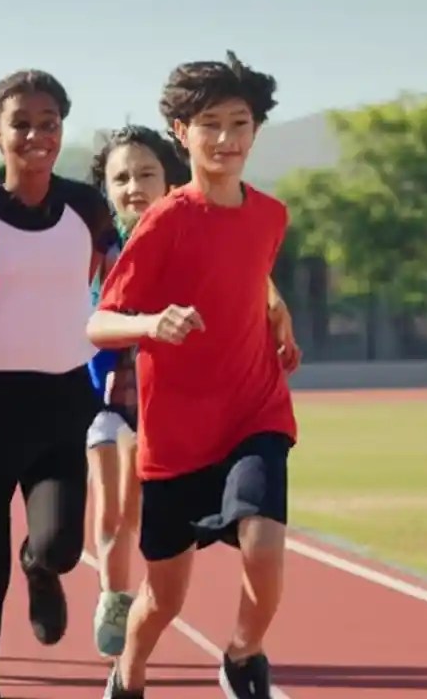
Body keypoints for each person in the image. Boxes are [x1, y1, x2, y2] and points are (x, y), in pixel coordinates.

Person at [91, 51, 299, 699]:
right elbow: (100, 324)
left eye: (240, 124)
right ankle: (131, 669)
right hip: (177, 438)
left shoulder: (271, 215)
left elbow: (249, 271)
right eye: (211, 124)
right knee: (163, 600)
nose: (227, 139)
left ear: (256, 130)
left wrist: (276, 311)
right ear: (182, 133)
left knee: (264, 544)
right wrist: (151, 324)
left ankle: (243, 654)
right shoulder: (164, 220)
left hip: (254, 413)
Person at [0, 69, 115, 699]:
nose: (36, 135)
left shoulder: (88, 208)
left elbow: (108, 282)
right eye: (21, 124)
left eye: (49, 123)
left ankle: (41, 569)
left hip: (62, 400)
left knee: (60, 546)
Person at [84, 125, 190, 658]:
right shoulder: (95, 245)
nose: (134, 186)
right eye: (120, 177)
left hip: (169, 398)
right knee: (114, 504)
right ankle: (112, 595)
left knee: (141, 510)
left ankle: (140, 597)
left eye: (147, 173)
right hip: (107, 394)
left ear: (171, 180)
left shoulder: (190, 236)